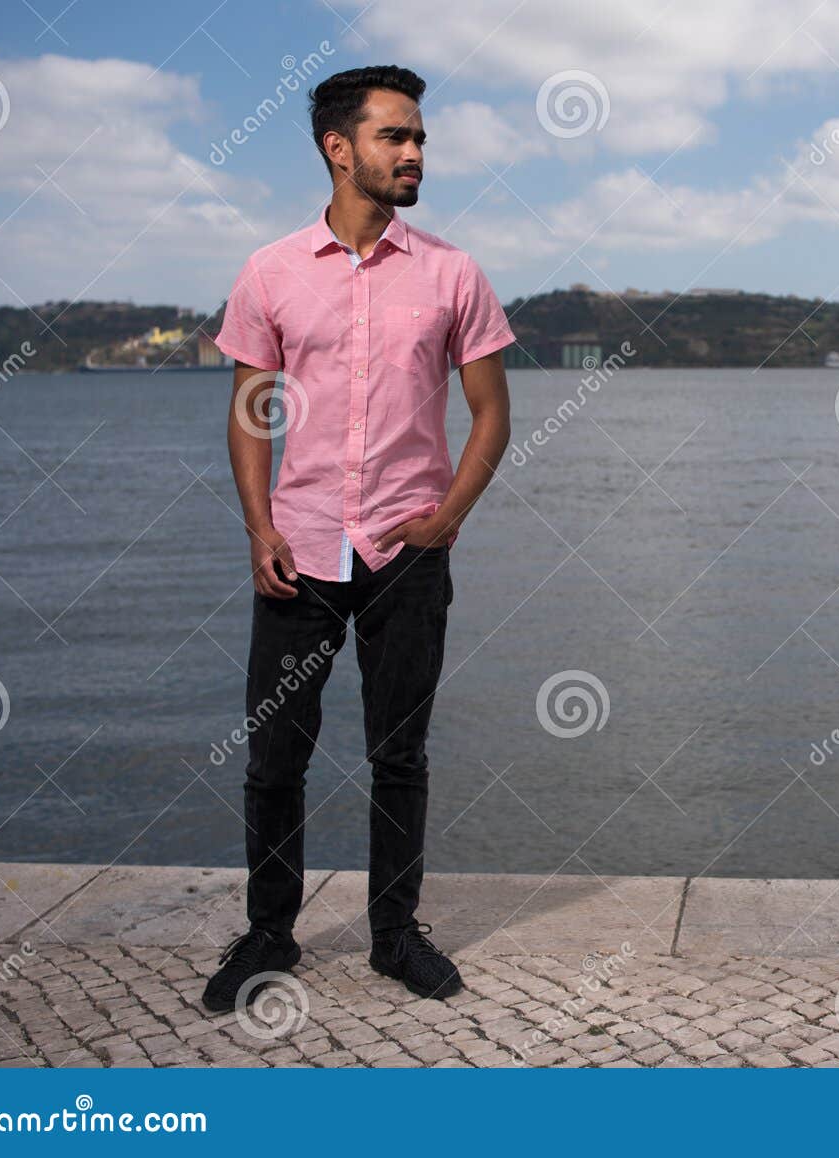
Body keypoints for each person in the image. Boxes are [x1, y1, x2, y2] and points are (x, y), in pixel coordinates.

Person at [202, 65, 514, 1013]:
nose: (415, 152)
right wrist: (258, 527)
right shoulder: (271, 270)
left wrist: (448, 517)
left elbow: (492, 414)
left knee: (402, 753)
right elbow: (253, 411)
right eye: (395, 136)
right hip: (298, 551)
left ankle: (393, 933)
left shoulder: (453, 271)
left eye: (420, 137)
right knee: (273, 757)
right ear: (340, 149)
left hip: (406, 552)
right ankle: (268, 931)